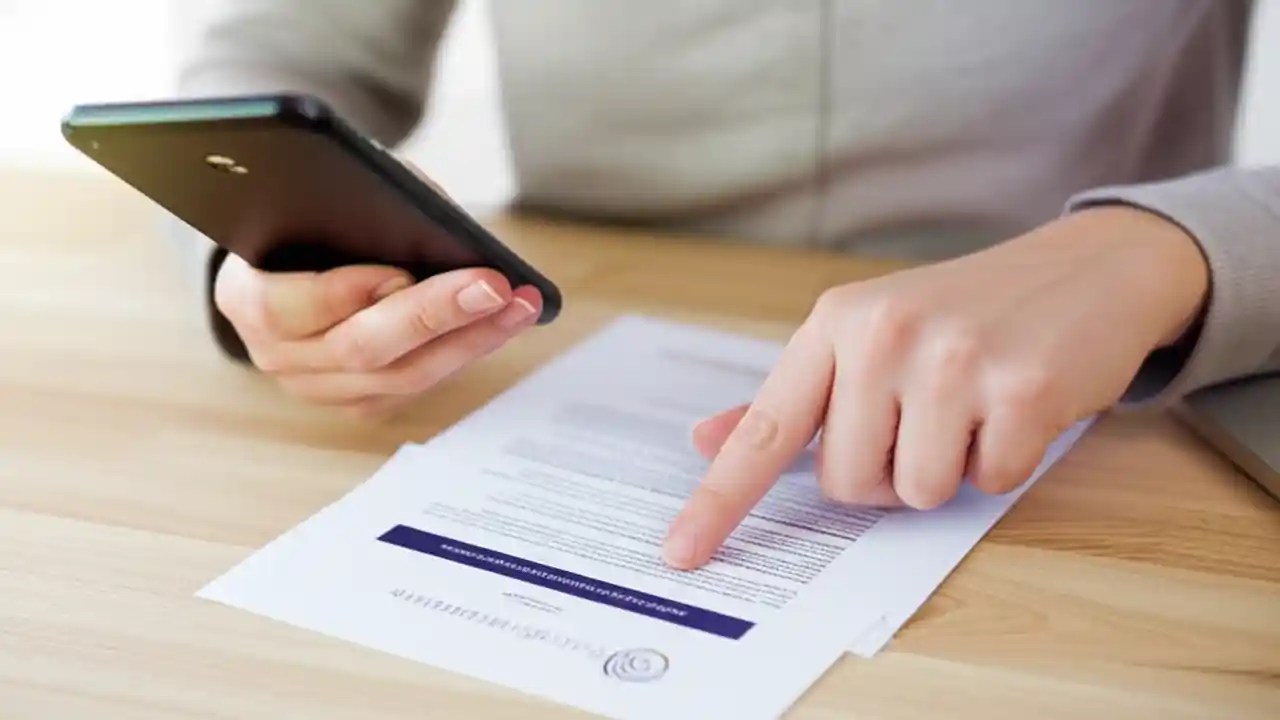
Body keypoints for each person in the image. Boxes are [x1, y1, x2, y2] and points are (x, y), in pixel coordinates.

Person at [175, 1, 1278, 571]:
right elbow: (279, 52)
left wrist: (1161, 251)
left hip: (1134, 435)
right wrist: (264, 246)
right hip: (545, 358)